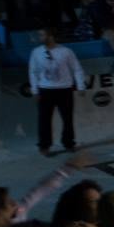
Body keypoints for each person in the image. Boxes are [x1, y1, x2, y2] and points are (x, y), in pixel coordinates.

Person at [27, 27, 86, 155]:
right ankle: (44, 145)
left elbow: (77, 68)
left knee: (67, 119)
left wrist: (81, 86)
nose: (40, 38)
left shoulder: (66, 51)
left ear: (51, 36)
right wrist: (35, 90)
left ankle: (68, 143)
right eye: (39, 35)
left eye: (42, 35)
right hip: (45, 90)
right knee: (44, 119)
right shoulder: (36, 52)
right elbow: (33, 71)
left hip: (64, 90)